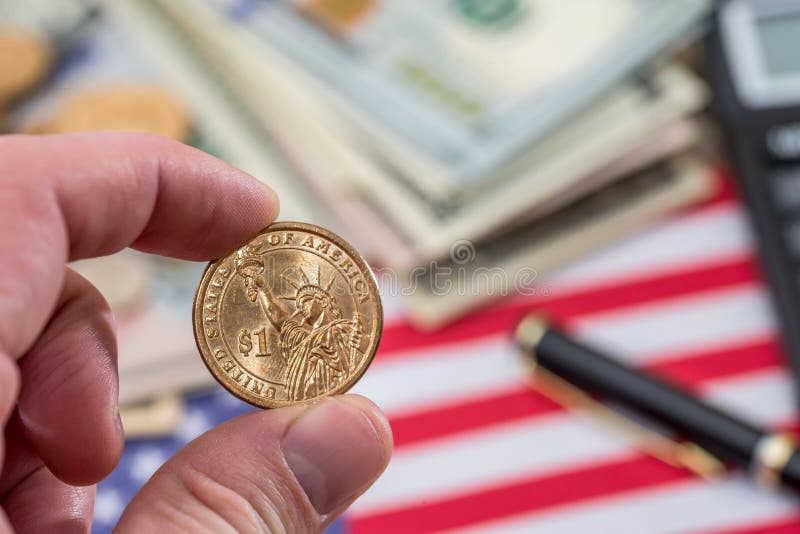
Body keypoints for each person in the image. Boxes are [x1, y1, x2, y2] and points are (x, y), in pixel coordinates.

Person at [0, 132, 393, 533]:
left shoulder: (335, 333)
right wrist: (258, 288)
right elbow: (280, 319)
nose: (305, 310)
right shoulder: (298, 329)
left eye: (312, 306)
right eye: (304, 304)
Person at [236, 246, 365, 402]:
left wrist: (362, 344)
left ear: (323, 300)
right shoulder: (303, 341)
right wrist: (263, 289)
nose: (300, 308)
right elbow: (280, 319)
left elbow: (356, 358)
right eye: (299, 305)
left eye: (305, 301)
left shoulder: (344, 329)